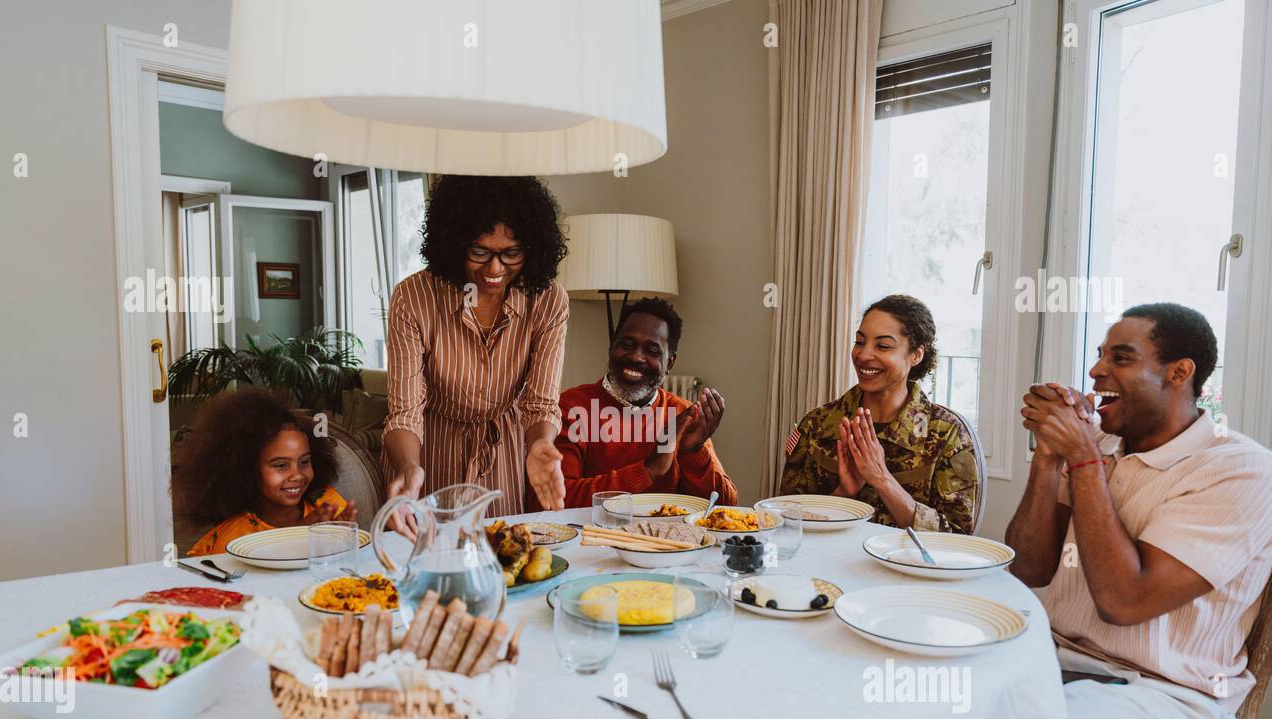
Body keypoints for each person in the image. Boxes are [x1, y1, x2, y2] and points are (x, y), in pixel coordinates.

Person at [1006, 302, 1272, 719]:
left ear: (1180, 372)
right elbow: (1029, 567)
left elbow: (1124, 600)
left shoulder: (1239, 469)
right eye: (1100, 355)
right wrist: (1047, 458)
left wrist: (1082, 462)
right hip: (1054, 660)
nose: (1096, 372)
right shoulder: (1103, 444)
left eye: (1121, 358)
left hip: (1166, 696)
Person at [382, 175, 570, 519]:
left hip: (505, 454)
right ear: (454, 244)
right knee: (433, 559)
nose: (495, 268)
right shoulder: (413, 298)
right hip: (430, 451)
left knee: (499, 558)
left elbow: (540, 403)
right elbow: (405, 412)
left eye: (511, 253)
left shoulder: (547, 299)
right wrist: (408, 469)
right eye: (479, 252)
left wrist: (541, 443)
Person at [779, 294, 978, 533]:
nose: (863, 355)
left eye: (882, 346)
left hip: (909, 568)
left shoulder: (947, 434)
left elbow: (958, 539)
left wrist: (882, 479)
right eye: (860, 342)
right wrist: (843, 494)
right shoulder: (817, 424)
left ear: (916, 355)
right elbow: (785, 523)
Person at [540, 297, 737, 509]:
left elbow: (726, 505)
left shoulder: (682, 415)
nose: (636, 357)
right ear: (611, 346)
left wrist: (693, 451)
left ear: (669, 362)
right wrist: (648, 471)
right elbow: (550, 501)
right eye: (627, 344)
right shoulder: (571, 407)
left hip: (665, 540)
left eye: (652, 351)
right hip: (592, 538)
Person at [178, 390, 355, 556]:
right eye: (281, 465)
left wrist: (343, 538)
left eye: (304, 462)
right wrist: (300, 536)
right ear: (247, 470)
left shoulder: (327, 504)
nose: (298, 475)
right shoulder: (234, 537)